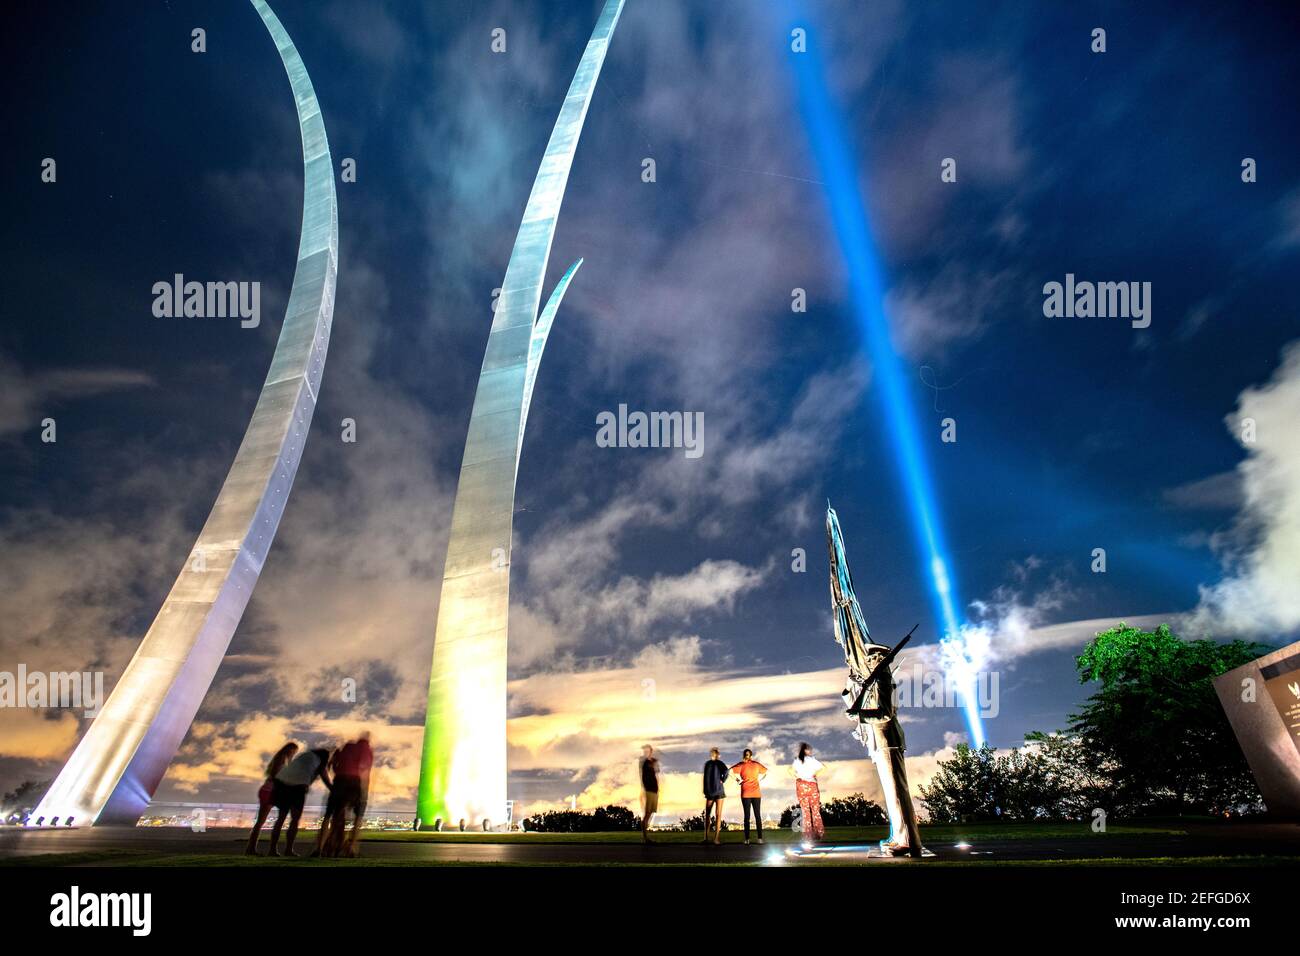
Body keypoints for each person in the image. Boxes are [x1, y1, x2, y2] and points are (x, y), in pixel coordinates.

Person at [268, 746, 332, 857]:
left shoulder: (304, 756)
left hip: (281, 784)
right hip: (298, 787)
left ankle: (272, 850)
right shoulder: (320, 761)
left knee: (280, 819)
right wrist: (335, 791)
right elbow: (325, 778)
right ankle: (288, 850)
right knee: (295, 820)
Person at [320, 732, 373, 858]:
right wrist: (364, 790)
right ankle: (351, 848)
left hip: (339, 781)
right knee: (358, 817)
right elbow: (364, 768)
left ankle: (321, 847)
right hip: (354, 783)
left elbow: (332, 765)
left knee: (331, 816)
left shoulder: (346, 747)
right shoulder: (366, 749)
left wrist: (338, 774)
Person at [245, 741, 298, 855]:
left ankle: (251, 849)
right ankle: (269, 850)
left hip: (268, 790)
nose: (293, 754)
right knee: (274, 820)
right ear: (290, 750)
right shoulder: (282, 759)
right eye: (294, 751)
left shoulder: (281, 759)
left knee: (260, 822)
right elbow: (275, 775)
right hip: (271, 791)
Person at [729, 748, 767, 844]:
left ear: (745, 755)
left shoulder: (742, 765)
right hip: (754, 793)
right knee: (756, 816)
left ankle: (748, 839)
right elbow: (766, 772)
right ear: (751, 755)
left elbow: (729, 771)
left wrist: (738, 781)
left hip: (747, 793)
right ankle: (759, 839)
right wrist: (759, 780)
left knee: (748, 817)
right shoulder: (755, 764)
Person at [791, 742, 826, 848]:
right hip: (812, 786)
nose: (810, 751)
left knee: (805, 812)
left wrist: (797, 777)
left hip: (801, 786)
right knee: (815, 810)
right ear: (806, 750)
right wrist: (815, 775)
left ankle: (807, 836)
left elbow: (790, 771)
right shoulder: (812, 760)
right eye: (809, 750)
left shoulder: (797, 761)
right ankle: (818, 833)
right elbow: (824, 768)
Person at [701, 747, 728, 846]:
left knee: (717, 815)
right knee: (709, 815)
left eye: (715, 753)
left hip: (718, 792)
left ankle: (715, 838)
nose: (714, 755)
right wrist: (705, 790)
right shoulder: (708, 764)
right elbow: (705, 778)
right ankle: (707, 838)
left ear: (717, 754)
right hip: (711, 792)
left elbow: (726, 771)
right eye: (713, 753)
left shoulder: (719, 763)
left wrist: (722, 780)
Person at [639, 745, 660, 843]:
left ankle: (646, 836)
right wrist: (646, 788)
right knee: (647, 813)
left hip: (655, 790)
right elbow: (643, 777)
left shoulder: (653, 762)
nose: (646, 752)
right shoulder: (645, 763)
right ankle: (645, 837)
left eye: (648, 751)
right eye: (645, 751)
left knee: (651, 812)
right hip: (649, 790)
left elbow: (656, 772)